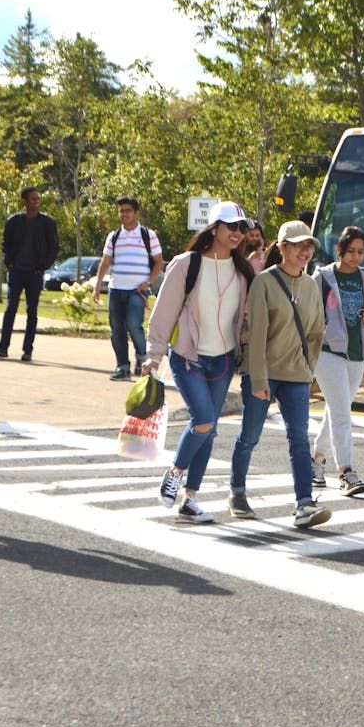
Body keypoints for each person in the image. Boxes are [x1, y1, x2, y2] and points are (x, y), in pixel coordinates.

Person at [142, 202, 254, 523]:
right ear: (213, 228)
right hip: (188, 358)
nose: (236, 233)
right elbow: (163, 314)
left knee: (210, 429)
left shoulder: (243, 271)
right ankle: (175, 472)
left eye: (241, 228)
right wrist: (153, 355)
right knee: (203, 420)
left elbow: (244, 320)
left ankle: (189, 499)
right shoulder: (186, 264)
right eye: (230, 227)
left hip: (223, 360)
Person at [229, 220, 329, 528]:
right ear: (282, 247)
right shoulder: (264, 282)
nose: (304, 252)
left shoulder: (312, 285)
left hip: (296, 375)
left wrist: (307, 368)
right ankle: (237, 492)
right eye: (298, 246)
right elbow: (256, 335)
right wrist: (258, 379)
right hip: (263, 373)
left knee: (299, 439)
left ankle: (304, 504)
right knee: (250, 436)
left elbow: (316, 333)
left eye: (309, 246)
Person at [311, 226, 364, 495]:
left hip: (356, 351)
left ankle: (316, 459)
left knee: (337, 409)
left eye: (361, 252)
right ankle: (346, 472)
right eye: (351, 251)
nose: (356, 257)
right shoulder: (323, 276)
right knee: (342, 413)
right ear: (340, 250)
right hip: (328, 351)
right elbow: (311, 311)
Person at [94, 197, 163, 380]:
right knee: (116, 329)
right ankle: (122, 367)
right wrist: (97, 287)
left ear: (136, 213)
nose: (124, 214)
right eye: (121, 211)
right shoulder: (114, 236)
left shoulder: (148, 235)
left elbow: (158, 263)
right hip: (116, 289)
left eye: (128, 211)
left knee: (134, 325)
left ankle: (142, 358)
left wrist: (148, 282)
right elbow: (105, 262)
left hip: (137, 291)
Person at [0, 187, 58, 361]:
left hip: (34, 273)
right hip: (16, 272)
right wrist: (9, 263)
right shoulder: (14, 221)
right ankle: (2, 348)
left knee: (31, 311)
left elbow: (53, 248)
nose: (36, 202)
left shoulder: (47, 223)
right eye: (32, 199)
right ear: (24, 201)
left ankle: (27, 350)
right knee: (10, 309)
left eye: (37, 199)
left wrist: (43, 266)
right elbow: (6, 244)